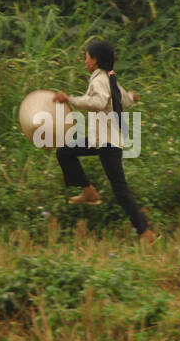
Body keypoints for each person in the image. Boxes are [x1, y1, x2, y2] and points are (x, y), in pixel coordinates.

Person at [52, 39, 156, 244]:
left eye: (87, 56)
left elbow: (99, 102)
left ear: (95, 60)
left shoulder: (99, 79)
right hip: (99, 139)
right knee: (64, 151)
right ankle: (88, 191)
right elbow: (122, 98)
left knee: (120, 189)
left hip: (107, 142)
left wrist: (70, 99)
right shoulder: (108, 78)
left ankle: (145, 232)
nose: (85, 60)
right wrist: (133, 97)